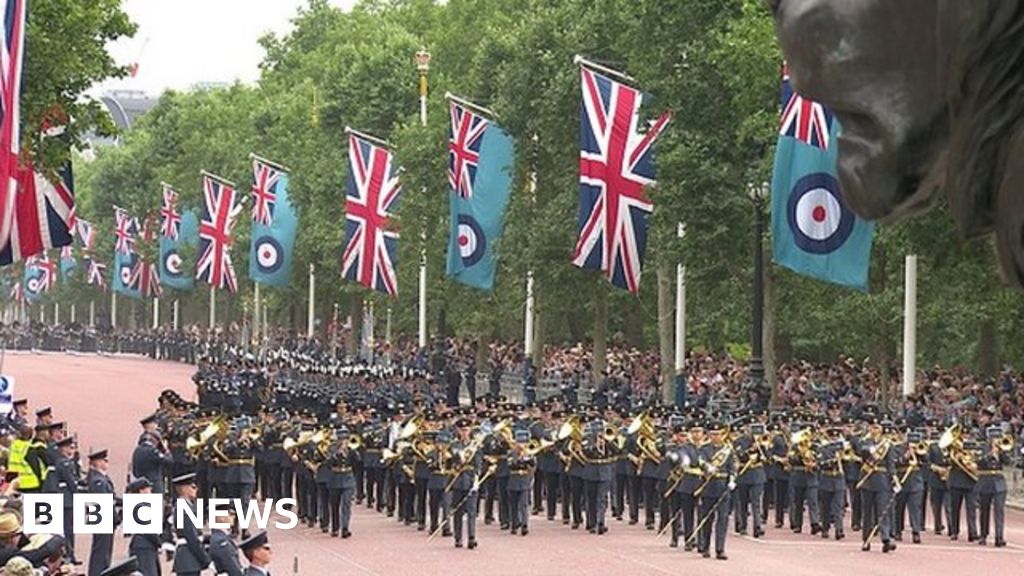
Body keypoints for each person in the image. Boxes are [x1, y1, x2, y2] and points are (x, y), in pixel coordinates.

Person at [697, 421, 734, 560]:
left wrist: (733, 479)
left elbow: (732, 466)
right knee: (707, 519)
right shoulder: (704, 449)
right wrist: (708, 467)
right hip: (708, 486)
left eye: (718, 434)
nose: (716, 437)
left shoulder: (728, 449)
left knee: (723, 519)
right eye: (713, 434)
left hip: (723, 486)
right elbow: (700, 461)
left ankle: (720, 549)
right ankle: (705, 546)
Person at [41, 436, 78, 564]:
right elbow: (71, 482)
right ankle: (69, 554)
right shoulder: (64, 463)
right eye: (70, 448)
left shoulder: (63, 462)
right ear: (63, 449)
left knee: (67, 528)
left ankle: (70, 554)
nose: (71, 451)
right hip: (66, 501)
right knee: (68, 529)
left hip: (63, 499)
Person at [448, 418, 481, 549]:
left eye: (466, 430)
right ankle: (458, 537)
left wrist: (477, 479)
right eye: (462, 430)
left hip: (470, 479)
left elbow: (478, 464)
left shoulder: (476, 446)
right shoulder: (454, 445)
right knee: (458, 511)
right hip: (457, 480)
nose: (464, 432)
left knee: (472, 511)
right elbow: (450, 462)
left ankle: (472, 537)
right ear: (458, 430)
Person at [171, 473, 210, 576]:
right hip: (189, 560)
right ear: (184, 489)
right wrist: (206, 560)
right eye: (192, 487)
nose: (196, 489)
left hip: (187, 561)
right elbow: (192, 538)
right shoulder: (184, 508)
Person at [87, 450, 115, 576]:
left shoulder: (101, 478)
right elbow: (104, 502)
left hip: (103, 519)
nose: (107, 463)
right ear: (97, 462)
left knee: (104, 552)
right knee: (101, 552)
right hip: (102, 519)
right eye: (105, 460)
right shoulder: (98, 480)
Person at [126, 478, 161, 576]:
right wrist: (159, 542)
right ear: (141, 491)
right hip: (144, 546)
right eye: (148, 489)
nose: (150, 491)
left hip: (142, 545)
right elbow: (149, 530)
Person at [209, 506, 244, 576]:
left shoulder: (222, 536)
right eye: (231, 514)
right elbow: (232, 568)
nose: (234, 517)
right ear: (222, 518)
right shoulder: (220, 541)